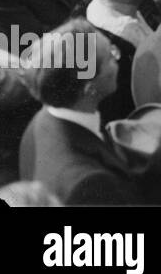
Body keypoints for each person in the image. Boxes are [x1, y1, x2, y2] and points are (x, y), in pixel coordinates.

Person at [17, 19, 146, 204]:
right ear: (89, 87)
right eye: (110, 56)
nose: (116, 59)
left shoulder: (42, 120)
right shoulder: (89, 183)